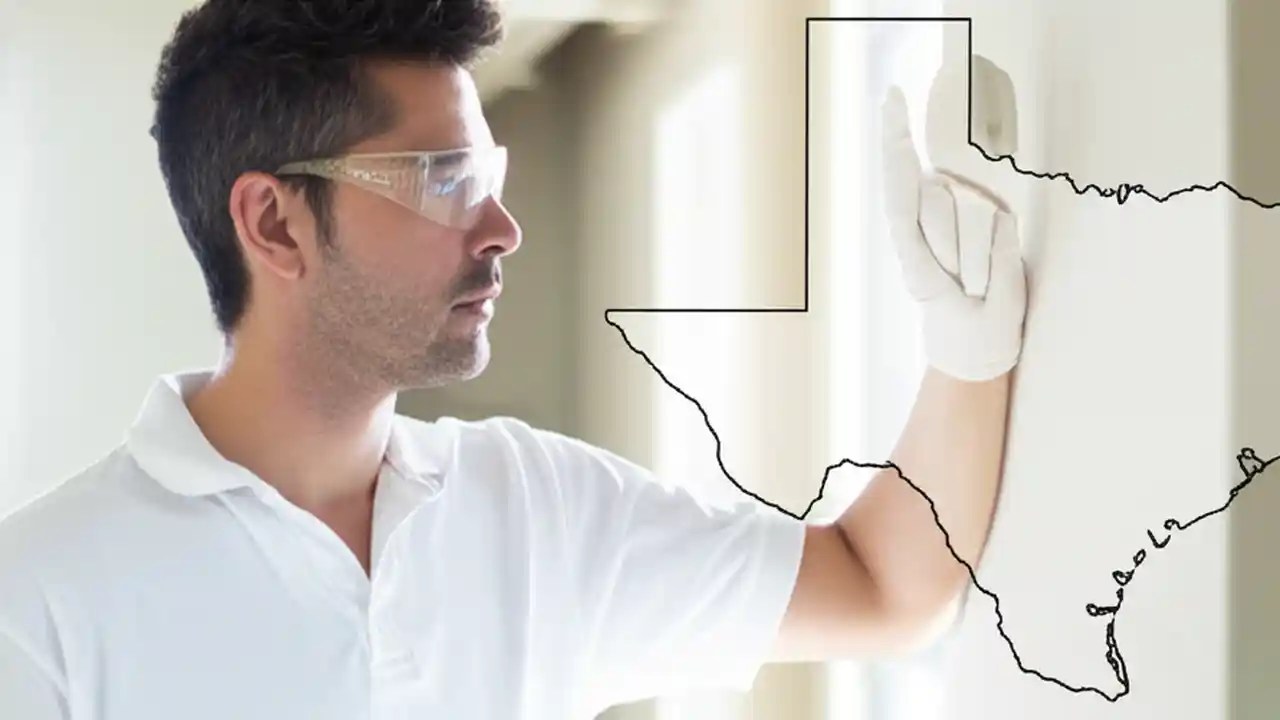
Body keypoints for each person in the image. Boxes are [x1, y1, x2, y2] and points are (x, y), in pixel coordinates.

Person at [0, 1, 1027, 718]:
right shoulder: (39, 602)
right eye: (444, 178)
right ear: (273, 223)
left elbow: (884, 587)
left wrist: (965, 344)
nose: (501, 226)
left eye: (486, 171)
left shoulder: (540, 511)